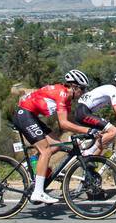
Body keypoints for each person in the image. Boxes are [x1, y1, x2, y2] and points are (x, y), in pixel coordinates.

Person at [12, 69, 95, 205]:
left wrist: (82, 132)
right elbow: (63, 124)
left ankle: (34, 166)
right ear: (73, 87)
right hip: (24, 115)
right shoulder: (62, 94)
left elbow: (69, 121)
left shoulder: (67, 98)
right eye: (82, 89)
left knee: (58, 144)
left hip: (30, 116)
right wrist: (88, 130)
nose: (83, 92)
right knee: (46, 151)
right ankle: (38, 192)